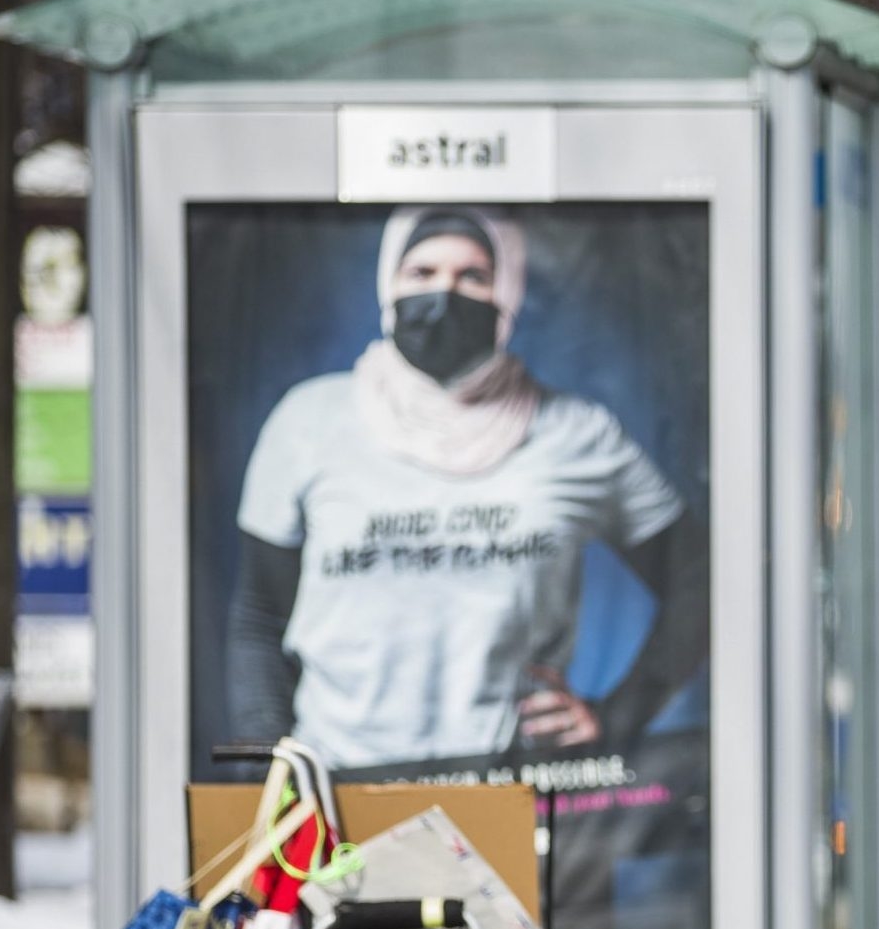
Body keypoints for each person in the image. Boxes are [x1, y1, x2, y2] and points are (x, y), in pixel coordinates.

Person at [227, 206, 711, 768]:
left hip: (518, 796)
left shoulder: (576, 434)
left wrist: (618, 717)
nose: (443, 293)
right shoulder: (308, 422)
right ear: (389, 282)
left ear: (507, 291)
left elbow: (699, 582)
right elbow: (260, 618)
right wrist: (266, 771)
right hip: (339, 796)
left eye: (473, 277)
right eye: (422, 273)